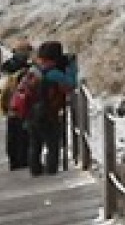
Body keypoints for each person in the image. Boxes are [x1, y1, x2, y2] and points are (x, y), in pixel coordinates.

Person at [12, 41, 78, 176]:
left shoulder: (34, 69)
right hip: (47, 113)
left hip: (31, 113)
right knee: (52, 144)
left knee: (35, 144)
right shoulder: (52, 73)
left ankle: (35, 171)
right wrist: (72, 67)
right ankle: (51, 172)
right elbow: (70, 83)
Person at [0, 39, 34, 170]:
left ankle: (14, 161)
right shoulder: (27, 69)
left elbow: (0, 86)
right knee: (24, 134)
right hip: (23, 105)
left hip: (10, 106)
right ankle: (24, 160)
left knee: (12, 135)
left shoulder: (6, 66)